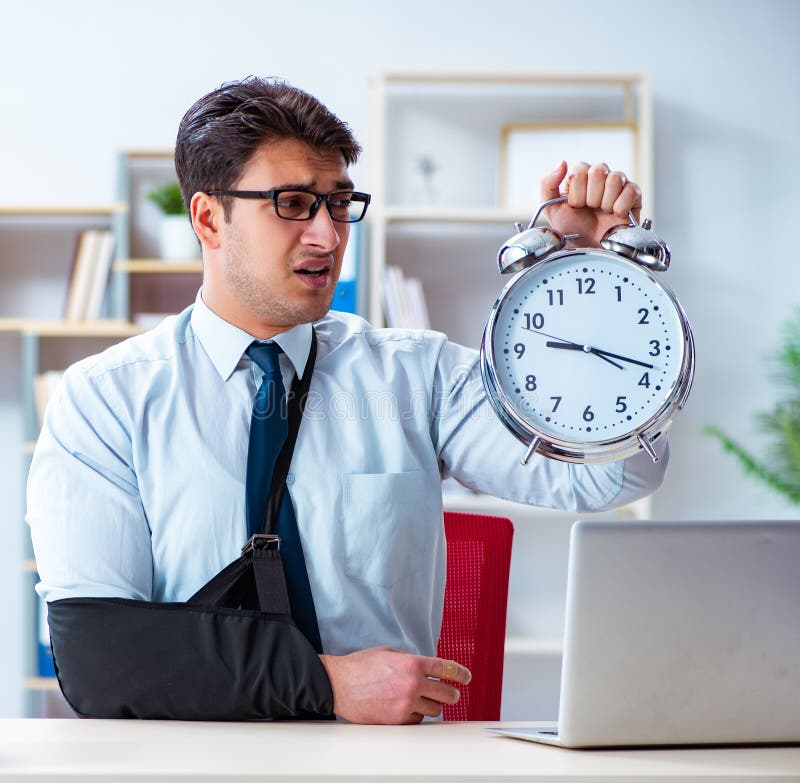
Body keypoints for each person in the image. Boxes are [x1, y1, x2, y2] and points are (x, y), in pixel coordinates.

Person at [26, 77, 667, 724]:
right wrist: (323, 683)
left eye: (338, 204)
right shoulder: (106, 400)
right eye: (294, 203)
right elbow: (99, 654)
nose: (328, 237)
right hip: (191, 763)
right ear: (208, 218)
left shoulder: (418, 376)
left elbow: (613, 474)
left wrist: (591, 278)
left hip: (383, 765)